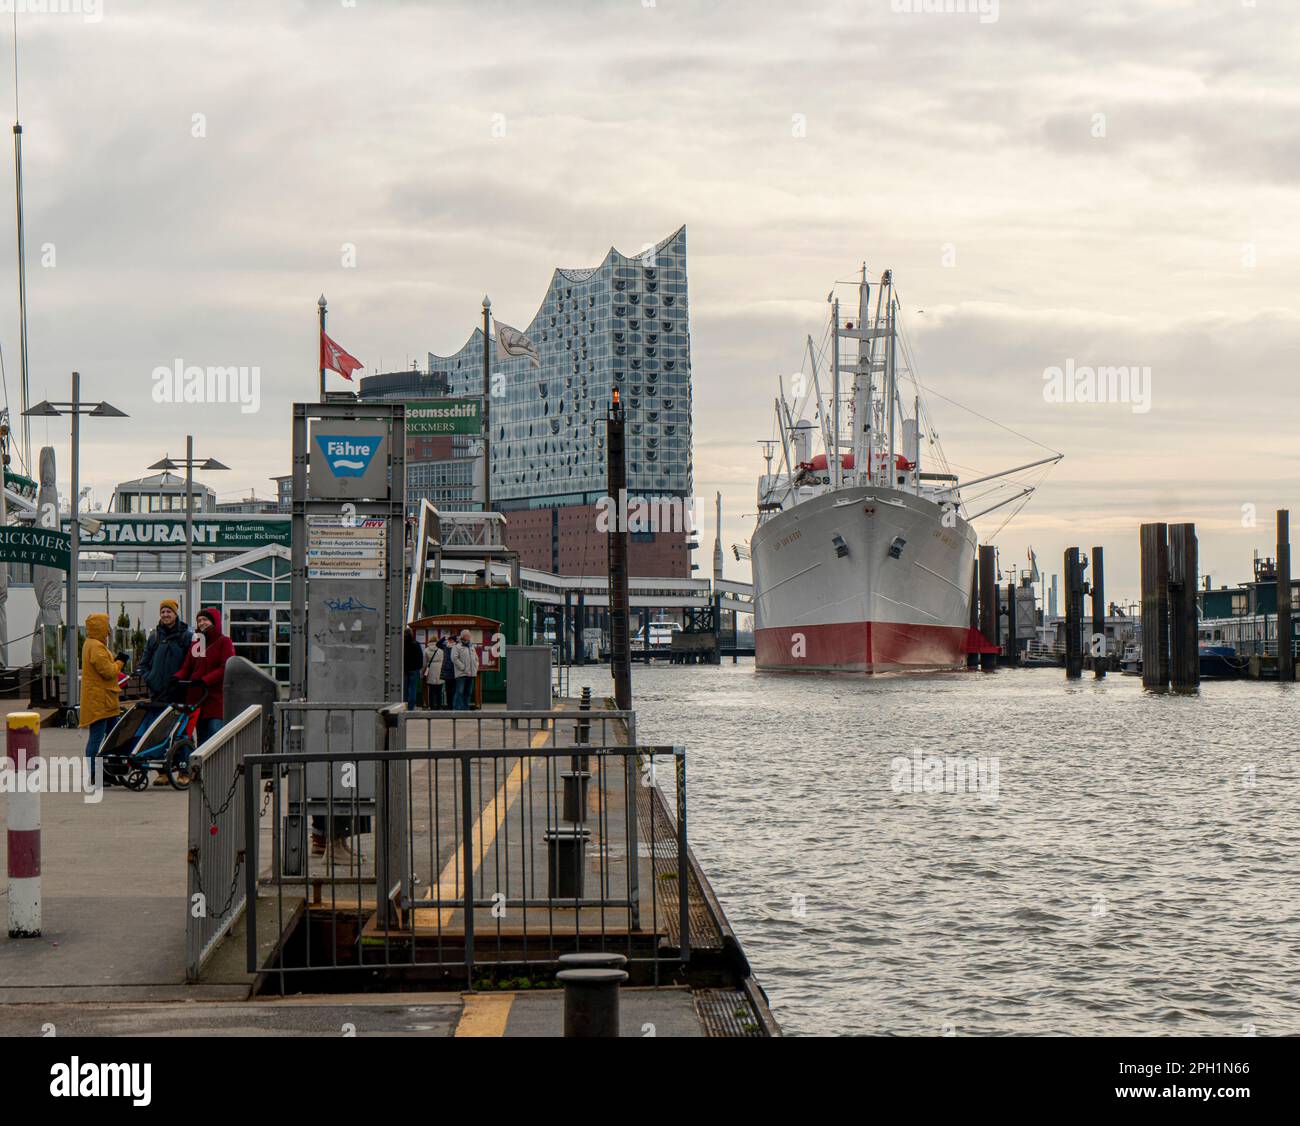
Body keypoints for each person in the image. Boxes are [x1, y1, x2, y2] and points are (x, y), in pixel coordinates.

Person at [137, 599, 193, 784]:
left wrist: (182, 681)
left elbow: (190, 663)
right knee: (159, 732)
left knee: (181, 733)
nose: (166, 615)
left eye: (169, 612)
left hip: (178, 692)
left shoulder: (186, 636)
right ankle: (163, 772)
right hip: (158, 693)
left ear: (176, 614)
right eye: (163, 612)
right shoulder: (154, 637)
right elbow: (144, 662)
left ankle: (184, 772)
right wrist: (149, 677)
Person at [174, 606, 235, 747]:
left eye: (205, 620)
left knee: (215, 734)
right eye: (199, 620)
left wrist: (205, 680)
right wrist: (178, 677)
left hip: (215, 698)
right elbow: (188, 666)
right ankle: (201, 767)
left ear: (215, 621)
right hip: (197, 698)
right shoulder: (199, 643)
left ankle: (217, 767)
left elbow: (225, 667)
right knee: (201, 736)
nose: (201, 623)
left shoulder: (224, 642)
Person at [80, 612, 125, 786]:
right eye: (106, 626)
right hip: (100, 702)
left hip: (103, 699)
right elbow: (108, 671)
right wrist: (120, 661)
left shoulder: (90, 644)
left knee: (113, 736)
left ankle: (108, 771)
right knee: (98, 738)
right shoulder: (96, 646)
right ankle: (95, 775)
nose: (108, 631)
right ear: (100, 627)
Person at [451, 629, 480, 711]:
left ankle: (465, 708)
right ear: (464, 636)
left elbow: (476, 658)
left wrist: (476, 666)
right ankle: (457, 708)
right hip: (461, 673)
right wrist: (462, 667)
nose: (470, 636)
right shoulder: (457, 646)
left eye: (470, 635)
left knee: (468, 692)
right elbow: (454, 658)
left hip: (471, 673)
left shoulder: (471, 646)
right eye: (468, 635)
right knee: (459, 691)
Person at [403, 627, 425, 709]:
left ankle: (404, 705)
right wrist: (419, 667)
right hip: (414, 669)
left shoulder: (402, 644)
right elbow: (420, 656)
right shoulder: (416, 644)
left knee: (404, 688)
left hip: (405, 669)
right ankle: (411, 707)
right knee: (413, 688)